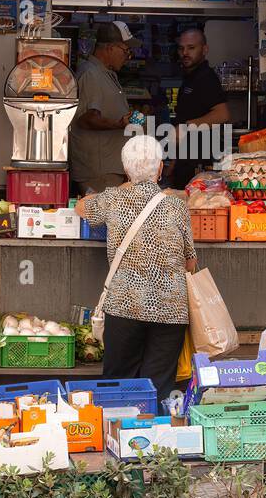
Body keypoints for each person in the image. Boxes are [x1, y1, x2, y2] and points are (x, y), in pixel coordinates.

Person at [76, 135, 197, 407]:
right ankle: (156, 442)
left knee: (119, 382)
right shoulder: (176, 205)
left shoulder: (112, 199)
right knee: (161, 387)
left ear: (125, 168)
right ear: (161, 167)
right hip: (170, 310)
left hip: (124, 305)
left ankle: (119, 435)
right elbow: (190, 263)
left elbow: (80, 207)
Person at [68, 21, 135, 194]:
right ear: (110, 48)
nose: (128, 56)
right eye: (125, 50)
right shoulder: (91, 74)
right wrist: (119, 125)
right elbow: (87, 119)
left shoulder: (105, 74)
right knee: (102, 219)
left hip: (107, 171)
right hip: (98, 174)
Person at [171, 25, 231, 190]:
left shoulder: (206, 78)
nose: (185, 53)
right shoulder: (190, 78)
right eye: (181, 48)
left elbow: (222, 114)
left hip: (200, 165)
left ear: (204, 49)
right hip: (186, 161)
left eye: (191, 48)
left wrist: (185, 128)